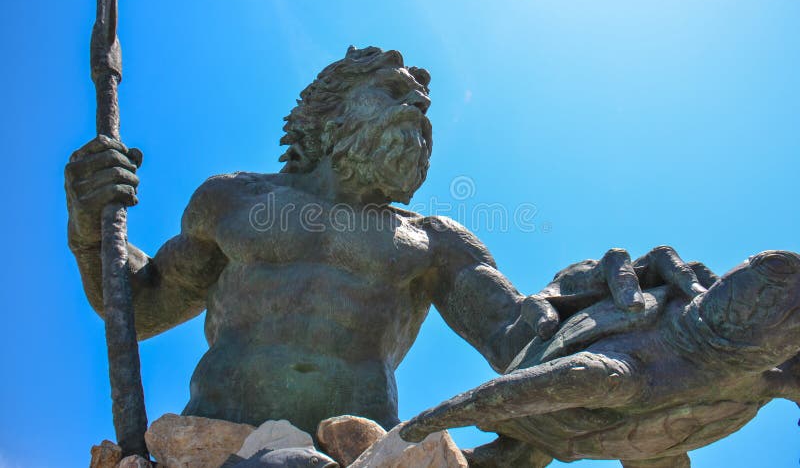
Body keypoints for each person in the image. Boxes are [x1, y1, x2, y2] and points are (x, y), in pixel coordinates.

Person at [65, 46, 708, 434]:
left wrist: (610, 305)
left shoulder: (435, 243)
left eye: (425, 103)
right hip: (214, 444)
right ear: (333, 109)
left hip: (365, 451)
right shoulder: (233, 200)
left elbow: (522, 339)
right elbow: (134, 307)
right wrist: (88, 222)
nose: (418, 107)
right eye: (398, 92)